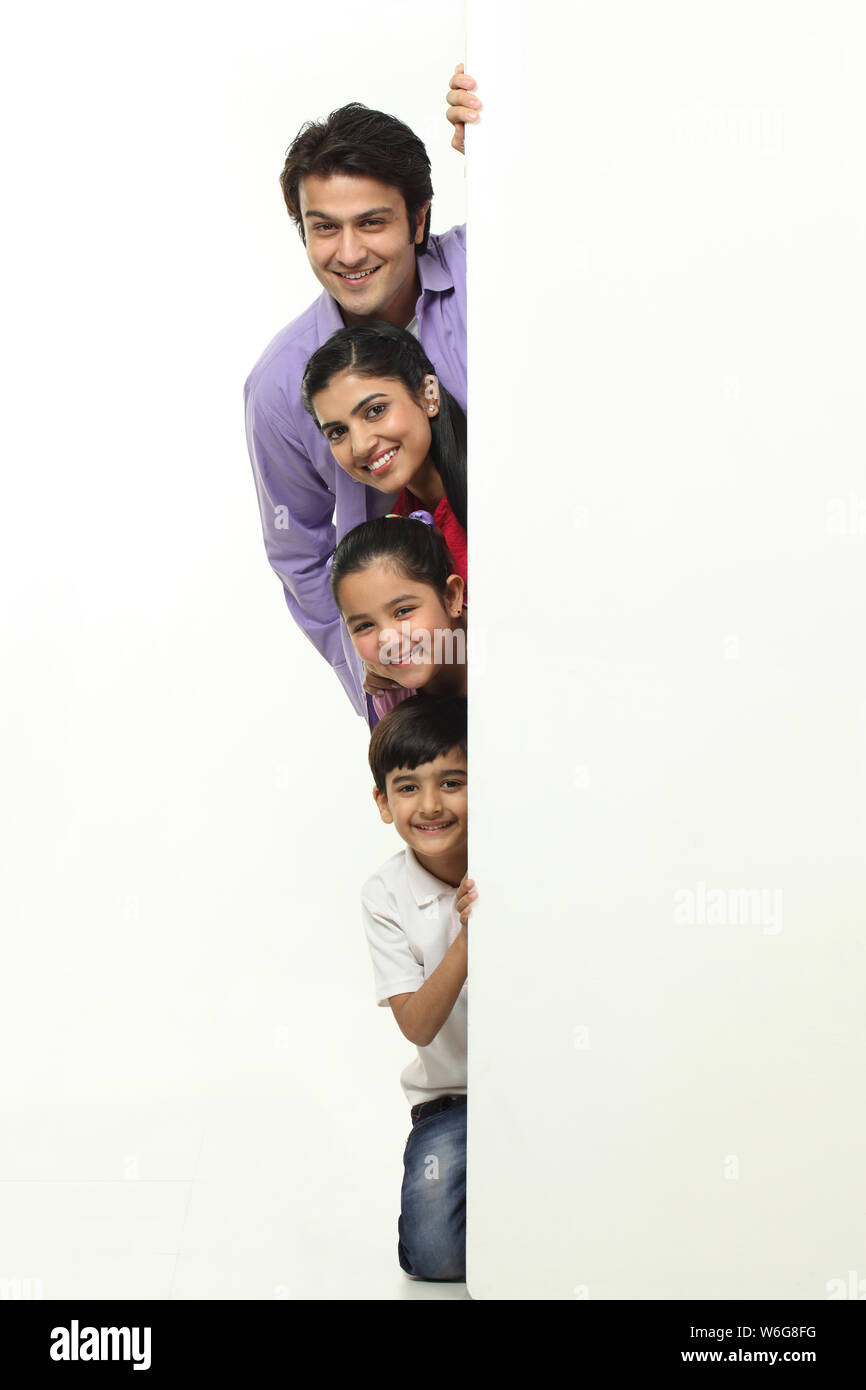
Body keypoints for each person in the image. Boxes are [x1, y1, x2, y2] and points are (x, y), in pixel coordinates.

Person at [244, 98, 468, 721]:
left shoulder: (489, 273)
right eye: (324, 227)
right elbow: (302, 555)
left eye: (371, 222)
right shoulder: (281, 386)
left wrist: (503, 138)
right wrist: (388, 703)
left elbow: (575, 233)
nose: (347, 253)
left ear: (418, 219)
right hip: (434, 679)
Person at [362, 696, 477, 1279]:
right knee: (435, 1256)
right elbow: (418, 1025)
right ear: (383, 802)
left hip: (542, 1089)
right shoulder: (385, 894)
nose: (431, 805)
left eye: (452, 781)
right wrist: (469, 936)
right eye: (407, 787)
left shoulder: (523, 863)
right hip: (452, 1102)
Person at [301, 320, 467, 587]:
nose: (360, 446)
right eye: (338, 432)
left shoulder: (491, 500)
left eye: (375, 410)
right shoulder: (399, 526)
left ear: (429, 395)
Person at [329, 514, 466, 722]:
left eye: (403, 611)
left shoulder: (504, 644)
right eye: (364, 625)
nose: (389, 640)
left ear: (451, 597)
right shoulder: (392, 699)